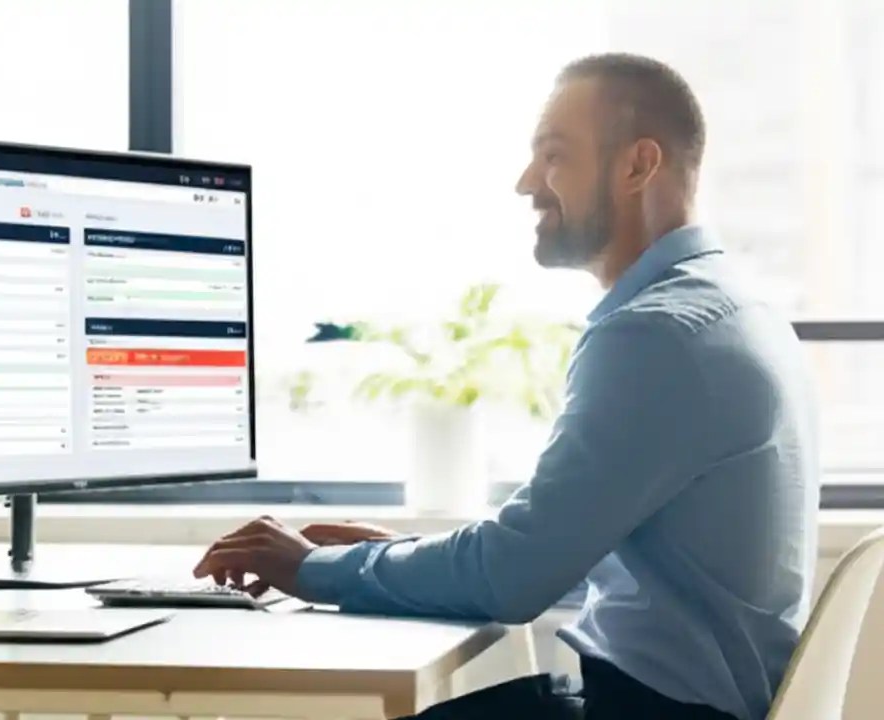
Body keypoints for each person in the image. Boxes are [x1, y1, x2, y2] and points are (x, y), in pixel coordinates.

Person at [192, 52, 819, 720]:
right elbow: (560, 548)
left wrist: (306, 567)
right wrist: (395, 557)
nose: (527, 183)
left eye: (553, 156)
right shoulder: (731, 310)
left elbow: (513, 575)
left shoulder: (656, 336)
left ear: (637, 165)